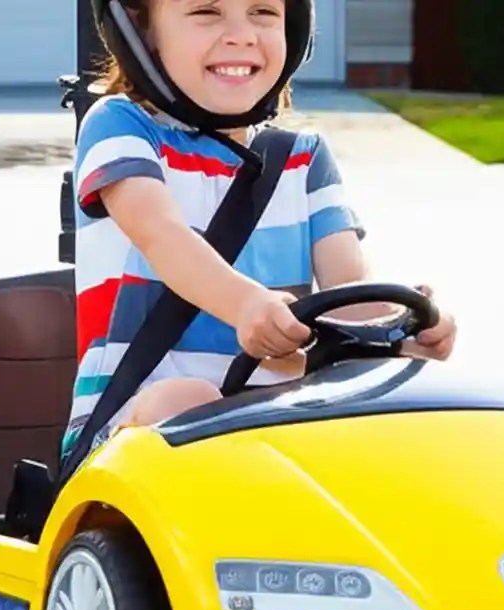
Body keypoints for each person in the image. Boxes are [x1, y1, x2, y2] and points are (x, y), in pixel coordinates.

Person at [61, 0, 458, 462]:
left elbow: (348, 288)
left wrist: (402, 329)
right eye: (207, 12)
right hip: (123, 433)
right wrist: (245, 305)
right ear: (143, 32)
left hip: (277, 428)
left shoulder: (303, 159)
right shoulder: (119, 126)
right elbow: (160, 235)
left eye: (263, 13)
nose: (242, 34)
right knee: (184, 404)